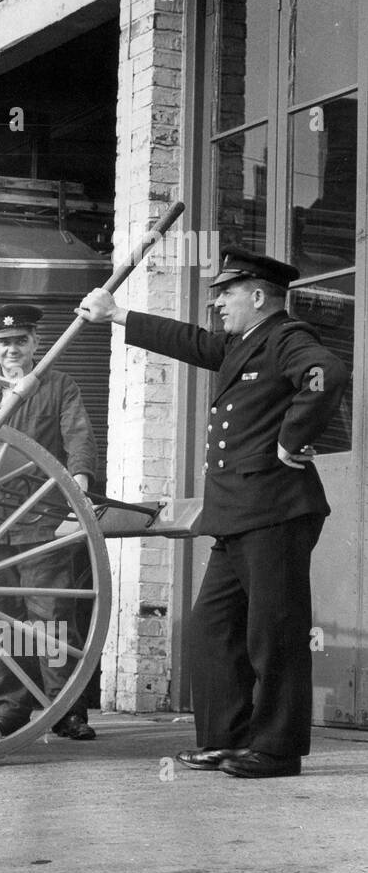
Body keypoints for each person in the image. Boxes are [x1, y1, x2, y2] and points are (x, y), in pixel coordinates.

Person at [78, 247, 348, 778]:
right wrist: (118, 315)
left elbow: (326, 374)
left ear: (257, 296)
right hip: (236, 514)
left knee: (274, 633)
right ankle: (225, 739)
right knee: (213, 628)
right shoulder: (244, 343)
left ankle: (276, 751)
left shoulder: (286, 337)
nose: (218, 303)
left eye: (226, 293)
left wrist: (292, 439)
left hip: (275, 508)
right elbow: (193, 342)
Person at [0, 304, 99, 741]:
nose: (12, 349)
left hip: (41, 517)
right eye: (4, 343)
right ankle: (9, 710)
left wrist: (79, 490)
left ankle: (67, 710)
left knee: (51, 616)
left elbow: (78, 438)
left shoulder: (58, 386)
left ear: (36, 343)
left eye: (21, 340)